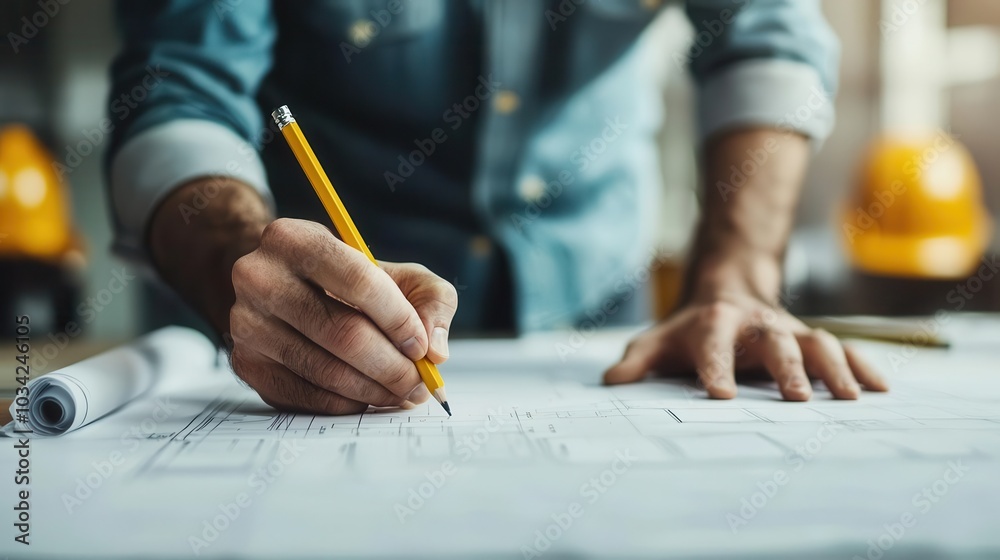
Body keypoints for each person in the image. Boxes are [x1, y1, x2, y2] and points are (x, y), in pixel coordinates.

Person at [106, 0, 887, 415]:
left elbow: (766, 40)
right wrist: (241, 261)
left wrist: (739, 281)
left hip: (604, 301)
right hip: (306, 314)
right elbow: (177, 90)